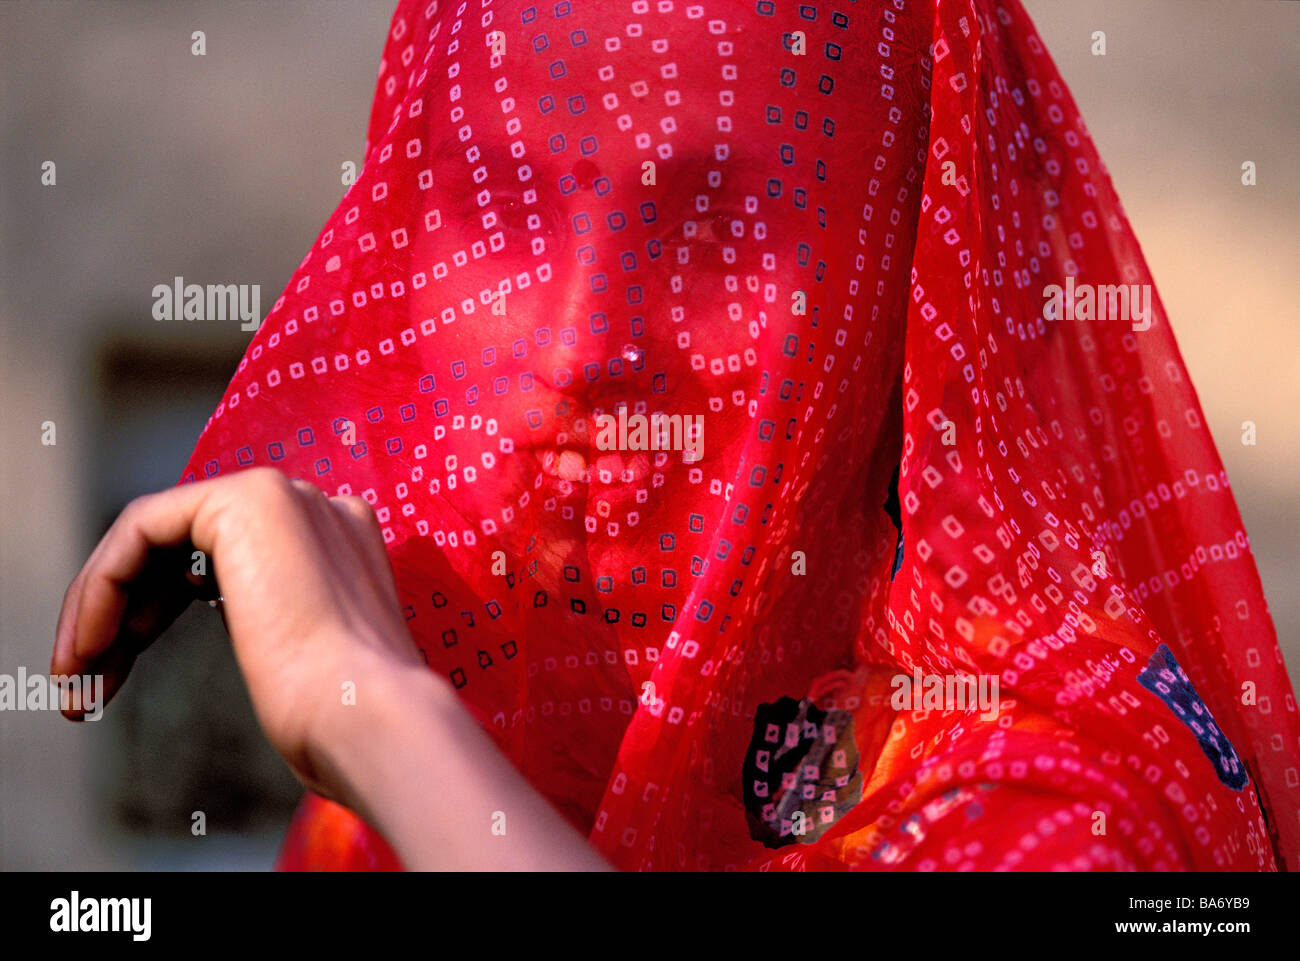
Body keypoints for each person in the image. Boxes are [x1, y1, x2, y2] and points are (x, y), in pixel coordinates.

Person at [54, 0, 1300, 871]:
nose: (585, 347)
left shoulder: (1077, 809)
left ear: (916, 265)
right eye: (503, 211)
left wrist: (376, 716)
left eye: (720, 225)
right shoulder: (456, 750)